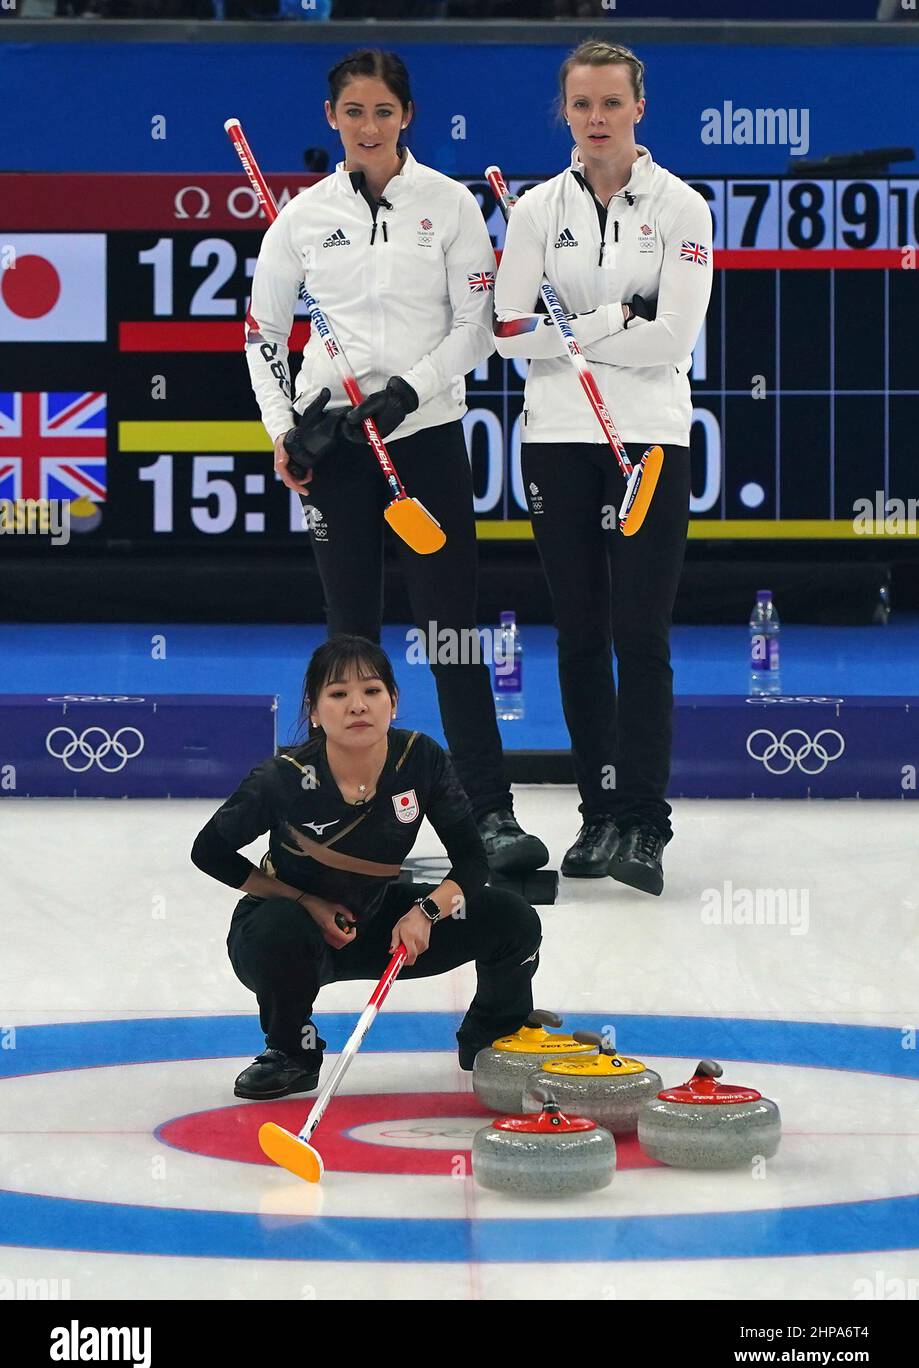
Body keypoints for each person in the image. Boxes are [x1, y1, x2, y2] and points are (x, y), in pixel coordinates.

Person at [245, 47, 547, 878]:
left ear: (406, 116)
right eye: (353, 112)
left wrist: (408, 393)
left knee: (451, 634)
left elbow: (476, 324)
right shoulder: (302, 218)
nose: (368, 127)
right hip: (336, 443)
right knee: (348, 643)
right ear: (330, 119)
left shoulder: (446, 206)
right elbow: (261, 334)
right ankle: (330, 823)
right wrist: (283, 429)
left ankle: (487, 814)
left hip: (423, 441)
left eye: (383, 111)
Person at [493, 39, 713, 896]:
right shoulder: (537, 211)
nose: (595, 119)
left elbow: (675, 340)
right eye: (581, 105)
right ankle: (598, 811)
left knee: (640, 636)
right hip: (556, 437)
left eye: (610, 103)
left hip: (649, 439)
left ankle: (643, 824)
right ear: (565, 112)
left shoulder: (682, 208)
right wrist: (621, 312)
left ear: (638, 108)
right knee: (580, 635)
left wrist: (573, 333)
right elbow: (511, 338)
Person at [191, 635, 542, 1099]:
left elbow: (473, 862)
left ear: (393, 702)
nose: (358, 705)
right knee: (277, 930)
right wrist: (306, 902)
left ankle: (490, 1036)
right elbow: (209, 851)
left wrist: (427, 913)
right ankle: (291, 1052)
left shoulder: (420, 760)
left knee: (511, 917)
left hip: (380, 922)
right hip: (294, 931)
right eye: (338, 694)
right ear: (314, 711)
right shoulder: (284, 778)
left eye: (372, 691)